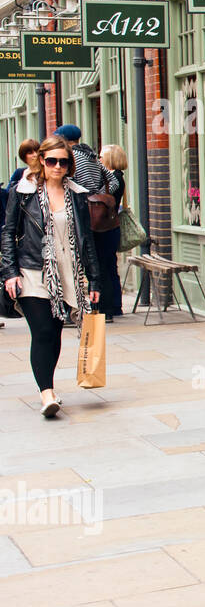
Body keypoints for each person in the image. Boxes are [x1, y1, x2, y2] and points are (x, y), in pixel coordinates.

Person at [0, 136, 101, 418]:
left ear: (69, 164)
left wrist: (94, 279)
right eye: (52, 161)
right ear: (41, 160)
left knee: (54, 332)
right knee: (43, 330)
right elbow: (8, 232)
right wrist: (9, 272)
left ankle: (50, 386)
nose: (57, 166)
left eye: (63, 162)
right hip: (31, 270)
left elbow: (86, 239)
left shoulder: (77, 194)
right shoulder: (24, 191)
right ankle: (47, 394)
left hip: (67, 270)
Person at [97, 144, 128, 321]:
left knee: (105, 267)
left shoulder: (114, 179)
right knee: (110, 267)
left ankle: (109, 306)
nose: (99, 160)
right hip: (110, 226)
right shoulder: (116, 178)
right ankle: (115, 304)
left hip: (107, 227)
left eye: (102, 156)